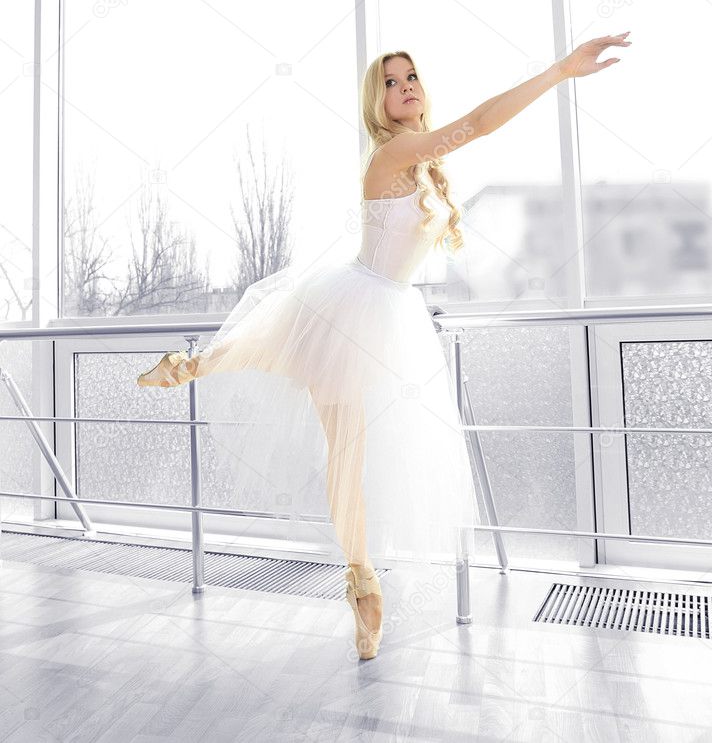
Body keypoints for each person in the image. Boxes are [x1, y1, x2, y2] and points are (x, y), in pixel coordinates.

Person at [137, 33, 631, 659]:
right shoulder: (394, 154)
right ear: (379, 102)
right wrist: (560, 70)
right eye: (391, 83)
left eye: (411, 77)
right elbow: (478, 124)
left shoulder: (422, 164)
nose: (405, 88)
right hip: (359, 304)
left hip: (388, 310)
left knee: (303, 380)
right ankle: (363, 585)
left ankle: (187, 367)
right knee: (340, 442)